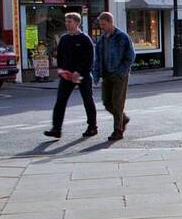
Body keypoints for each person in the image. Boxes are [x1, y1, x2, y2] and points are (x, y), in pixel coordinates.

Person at [43, 12, 97, 139]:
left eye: (70, 21)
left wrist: (79, 71)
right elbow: (60, 57)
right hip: (67, 75)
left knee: (87, 100)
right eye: (66, 21)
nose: (67, 24)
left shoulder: (84, 39)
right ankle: (56, 129)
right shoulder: (64, 39)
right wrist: (61, 70)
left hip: (82, 75)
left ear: (77, 23)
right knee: (60, 101)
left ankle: (92, 127)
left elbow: (89, 58)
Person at [94, 11, 136, 142]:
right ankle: (123, 119)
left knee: (117, 103)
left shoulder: (122, 37)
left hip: (119, 75)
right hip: (106, 74)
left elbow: (130, 56)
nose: (102, 27)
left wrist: (122, 71)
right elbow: (98, 58)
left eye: (104, 24)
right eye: (101, 25)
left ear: (111, 22)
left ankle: (118, 131)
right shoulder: (101, 39)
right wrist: (96, 75)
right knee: (107, 102)